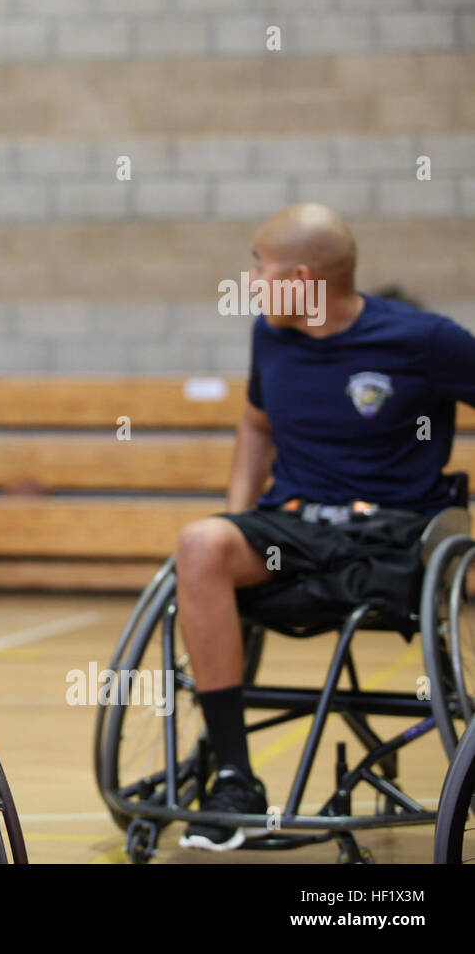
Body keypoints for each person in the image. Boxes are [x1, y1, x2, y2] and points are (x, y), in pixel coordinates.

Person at [175, 202, 475, 851]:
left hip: (394, 539)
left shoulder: (423, 340)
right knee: (202, 543)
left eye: (260, 266)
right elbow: (255, 427)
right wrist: (238, 515)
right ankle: (233, 778)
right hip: (295, 531)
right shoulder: (269, 335)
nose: (251, 281)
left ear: (304, 278)